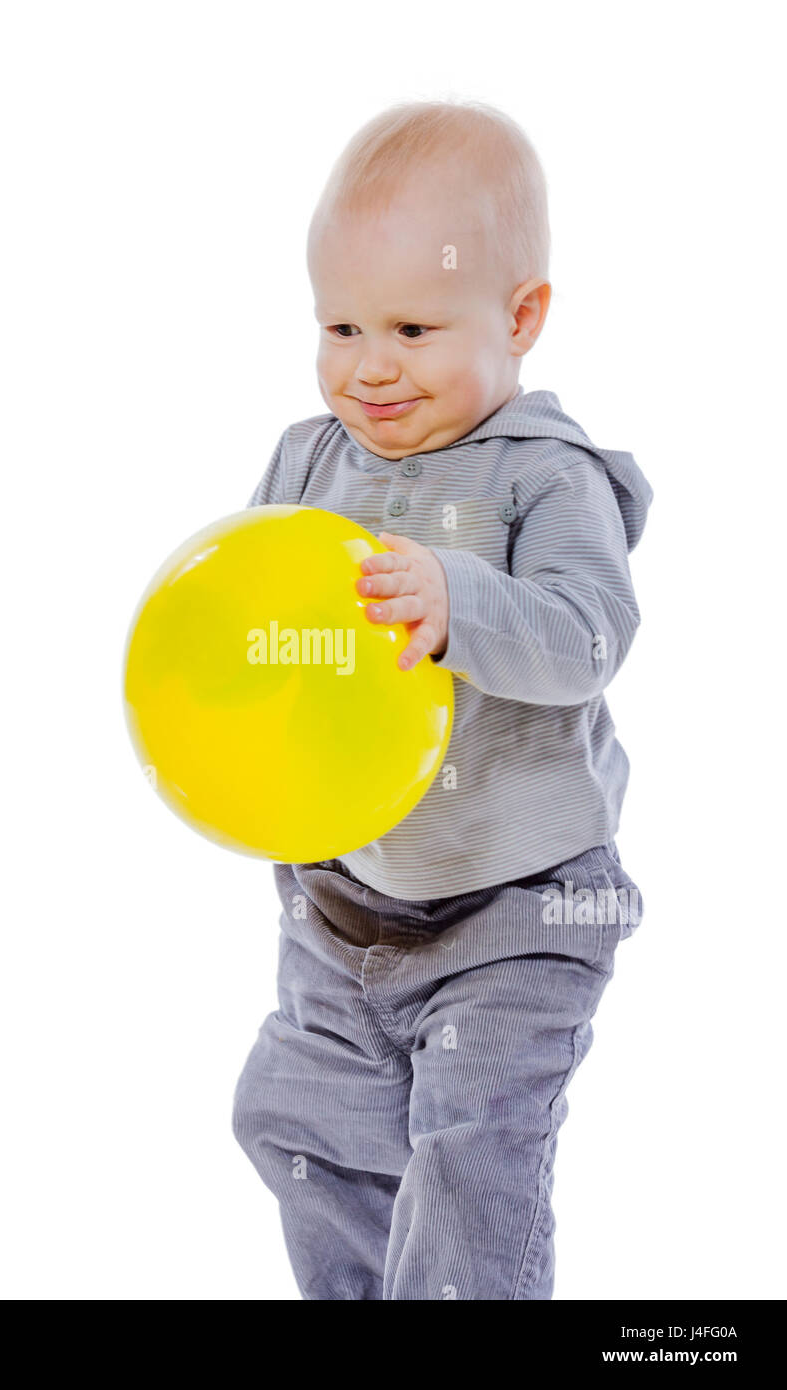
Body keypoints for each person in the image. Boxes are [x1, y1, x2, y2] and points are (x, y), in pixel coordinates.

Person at [232, 98, 651, 1300]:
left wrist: (459, 603)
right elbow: (264, 634)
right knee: (297, 1126)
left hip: (516, 915)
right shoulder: (312, 462)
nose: (370, 365)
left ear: (520, 318)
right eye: (341, 325)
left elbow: (586, 637)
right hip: (344, 902)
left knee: (471, 1172)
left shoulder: (543, 476)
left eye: (414, 327)